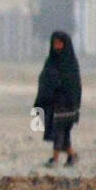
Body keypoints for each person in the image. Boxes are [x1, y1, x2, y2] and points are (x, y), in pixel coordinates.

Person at [33, 30, 82, 168]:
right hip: (53, 102)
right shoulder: (51, 61)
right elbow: (45, 79)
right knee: (60, 131)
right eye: (55, 43)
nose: (57, 46)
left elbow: (74, 84)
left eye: (60, 43)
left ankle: (55, 159)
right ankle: (71, 155)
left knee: (59, 130)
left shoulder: (70, 62)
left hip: (66, 104)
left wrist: (73, 102)